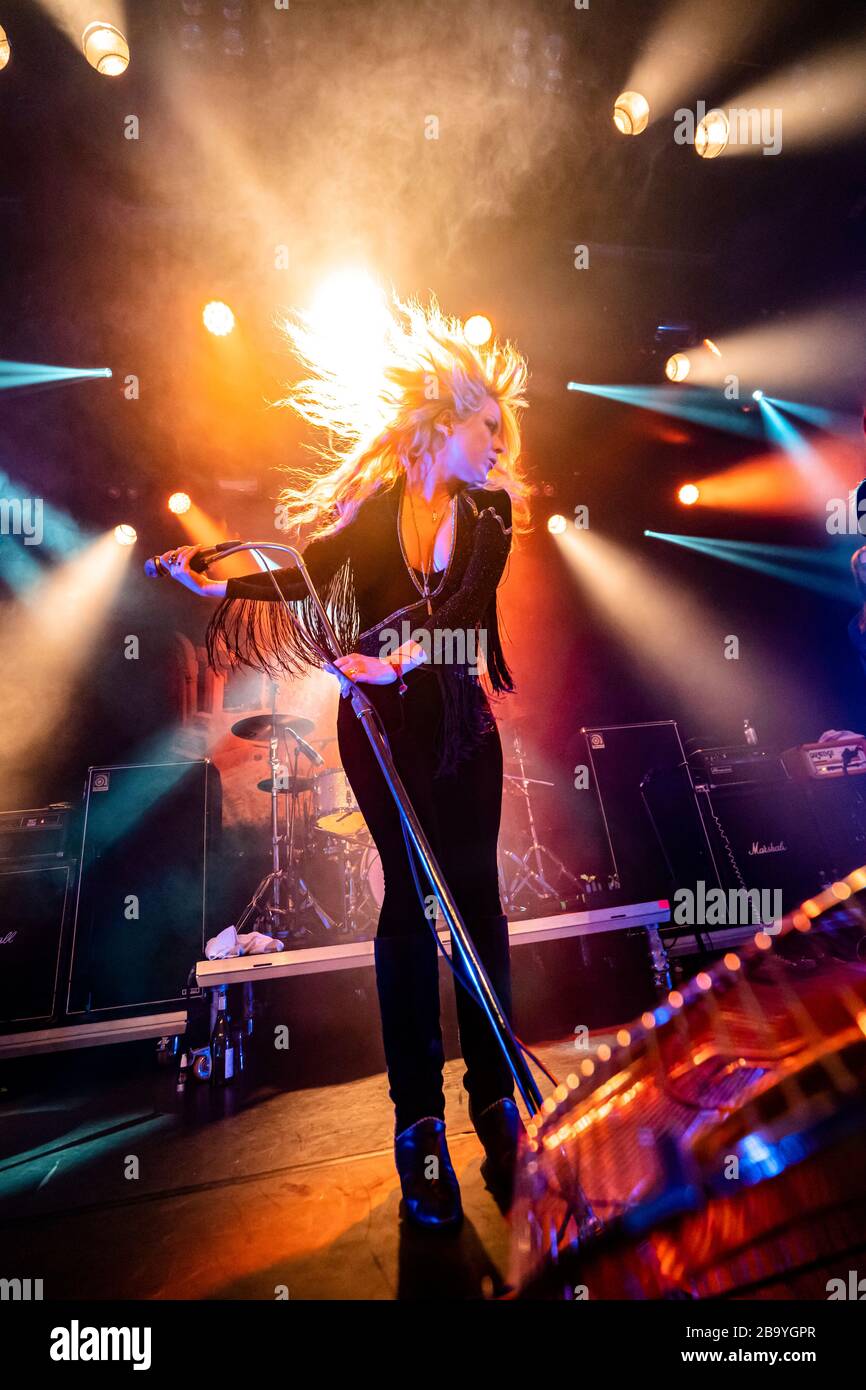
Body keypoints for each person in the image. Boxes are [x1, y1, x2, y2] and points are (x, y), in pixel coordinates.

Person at [156, 293, 531, 1229]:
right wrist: (221, 569)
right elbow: (308, 577)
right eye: (487, 426)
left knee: (477, 897)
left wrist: (403, 653)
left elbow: (460, 618)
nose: (500, 447)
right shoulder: (372, 512)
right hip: (381, 727)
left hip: (458, 721)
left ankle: (495, 1102)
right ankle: (419, 1129)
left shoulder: (490, 518)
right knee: (409, 902)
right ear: (440, 421)